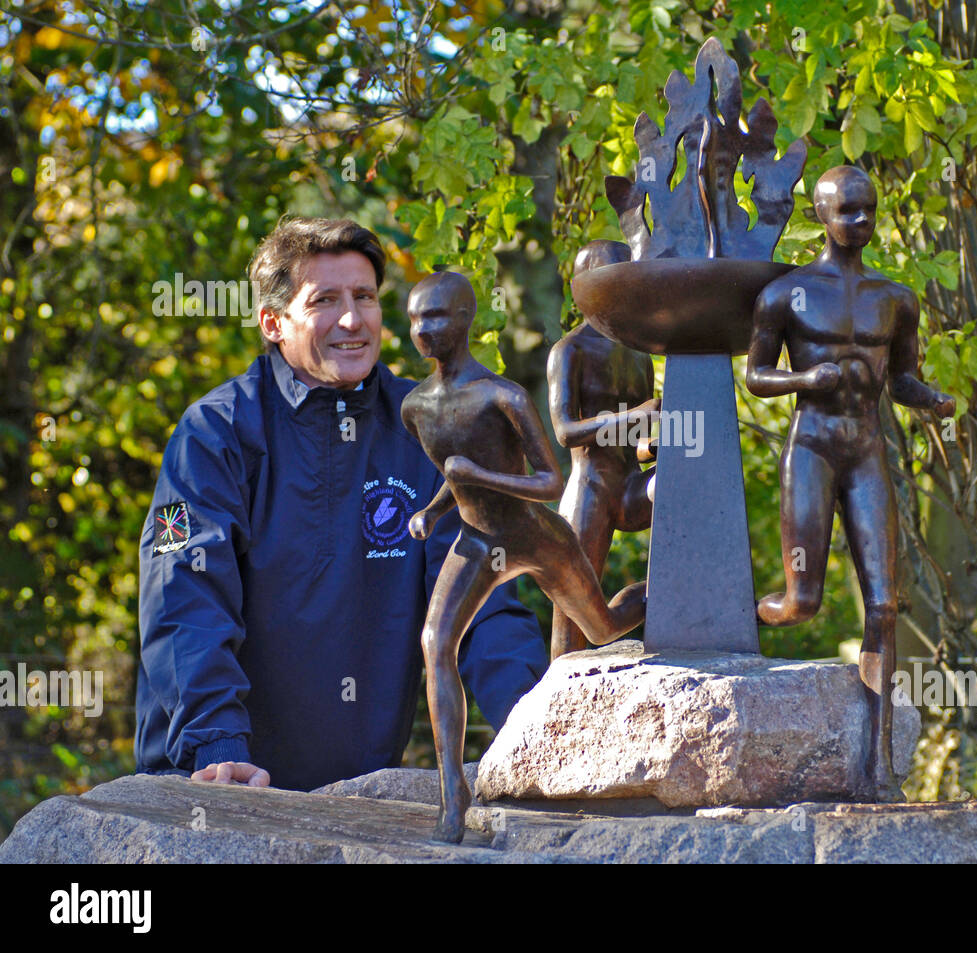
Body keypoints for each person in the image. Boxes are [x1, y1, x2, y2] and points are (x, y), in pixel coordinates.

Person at [134, 217, 548, 792]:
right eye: (325, 300)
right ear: (273, 323)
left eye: (365, 297)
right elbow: (184, 594)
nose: (352, 319)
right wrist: (216, 743)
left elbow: (481, 598)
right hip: (217, 777)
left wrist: (535, 731)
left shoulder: (427, 426)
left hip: (357, 791)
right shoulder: (215, 433)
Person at [402, 271, 646, 841]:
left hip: (536, 533)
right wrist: (434, 512)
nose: (424, 330)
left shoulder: (502, 396)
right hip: (476, 539)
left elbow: (547, 477)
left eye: (436, 317)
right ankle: (451, 795)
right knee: (436, 643)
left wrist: (475, 475)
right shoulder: (415, 407)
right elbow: (454, 477)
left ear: (465, 320)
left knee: (603, 627)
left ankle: (654, 602)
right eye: (415, 319)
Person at [746, 167, 955, 801]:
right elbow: (756, 375)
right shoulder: (786, 294)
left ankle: (878, 766)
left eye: (868, 211)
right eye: (848, 212)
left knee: (885, 605)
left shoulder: (895, 298)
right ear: (820, 214)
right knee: (801, 604)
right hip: (812, 447)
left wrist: (934, 400)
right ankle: (737, 613)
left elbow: (902, 381)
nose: (860, 223)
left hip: (866, 450)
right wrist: (804, 383)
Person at [546, 240, 658, 660]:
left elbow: (634, 444)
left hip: (630, 486)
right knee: (571, 619)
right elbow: (565, 431)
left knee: (688, 483)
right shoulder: (569, 350)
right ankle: (558, 705)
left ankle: (671, 598)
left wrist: (655, 445)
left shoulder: (639, 356)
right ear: (585, 286)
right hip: (589, 489)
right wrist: (636, 417)